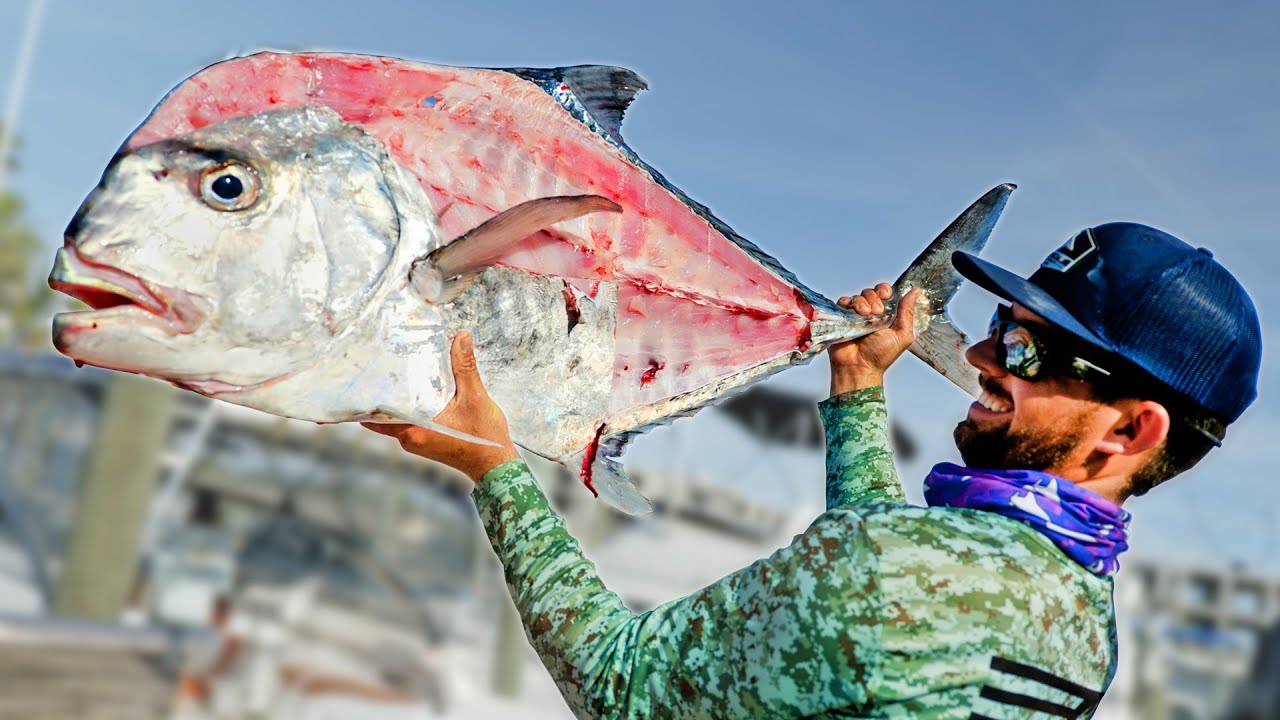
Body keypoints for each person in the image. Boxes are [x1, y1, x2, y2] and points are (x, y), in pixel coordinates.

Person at [364, 222, 1261, 719]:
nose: (984, 355)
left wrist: (492, 465)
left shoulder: (897, 572)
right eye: (1001, 325)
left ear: (1130, 430)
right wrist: (857, 382)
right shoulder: (1082, 619)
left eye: (1028, 349)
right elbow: (880, 613)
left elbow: (621, 685)